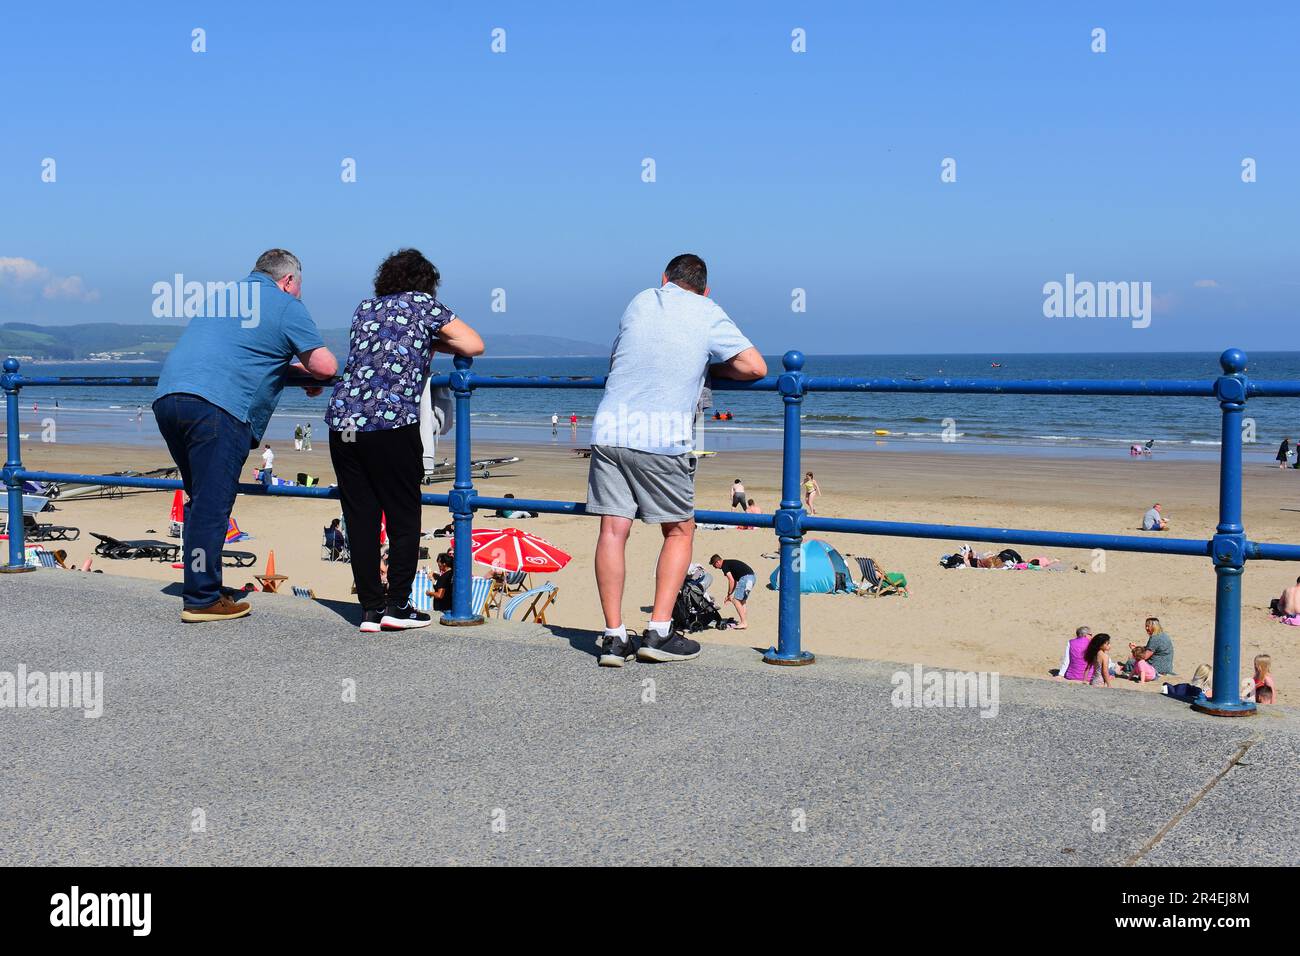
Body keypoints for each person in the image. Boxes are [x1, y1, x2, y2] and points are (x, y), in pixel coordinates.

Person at [588, 253, 766, 667]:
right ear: (705, 289)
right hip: (661, 437)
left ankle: (614, 638)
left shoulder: (639, 301)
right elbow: (755, 366)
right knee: (679, 531)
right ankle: (658, 632)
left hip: (610, 430)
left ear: (664, 278)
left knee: (613, 530)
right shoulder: (707, 311)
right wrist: (708, 368)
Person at [154, 249, 337, 622]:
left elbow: (242, 350)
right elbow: (326, 365)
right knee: (212, 505)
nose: (299, 294)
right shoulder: (285, 303)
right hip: (218, 408)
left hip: (169, 398)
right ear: (288, 280)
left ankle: (201, 583)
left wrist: (288, 369)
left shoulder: (223, 296)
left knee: (199, 500)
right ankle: (202, 599)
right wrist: (311, 374)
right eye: (299, 287)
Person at [328, 248, 485, 633]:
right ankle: (397, 606)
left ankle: (370, 610)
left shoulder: (365, 308)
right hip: (390, 422)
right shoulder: (424, 305)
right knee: (402, 515)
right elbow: (473, 344)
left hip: (344, 421)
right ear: (426, 281)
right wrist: (432, 342)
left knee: (361, 517)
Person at [710, 554, 756, 629]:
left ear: (718, 562)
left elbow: (731, 580)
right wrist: (729, 595)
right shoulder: (729, 563)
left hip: (745, 578)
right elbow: (734, 581)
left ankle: (744, 622)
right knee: (742, 601)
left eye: (714, 565)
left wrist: (729, 594)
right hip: (752, 577)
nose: (715, 568)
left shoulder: (724, 565)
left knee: (735, 600)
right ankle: (744, 621)